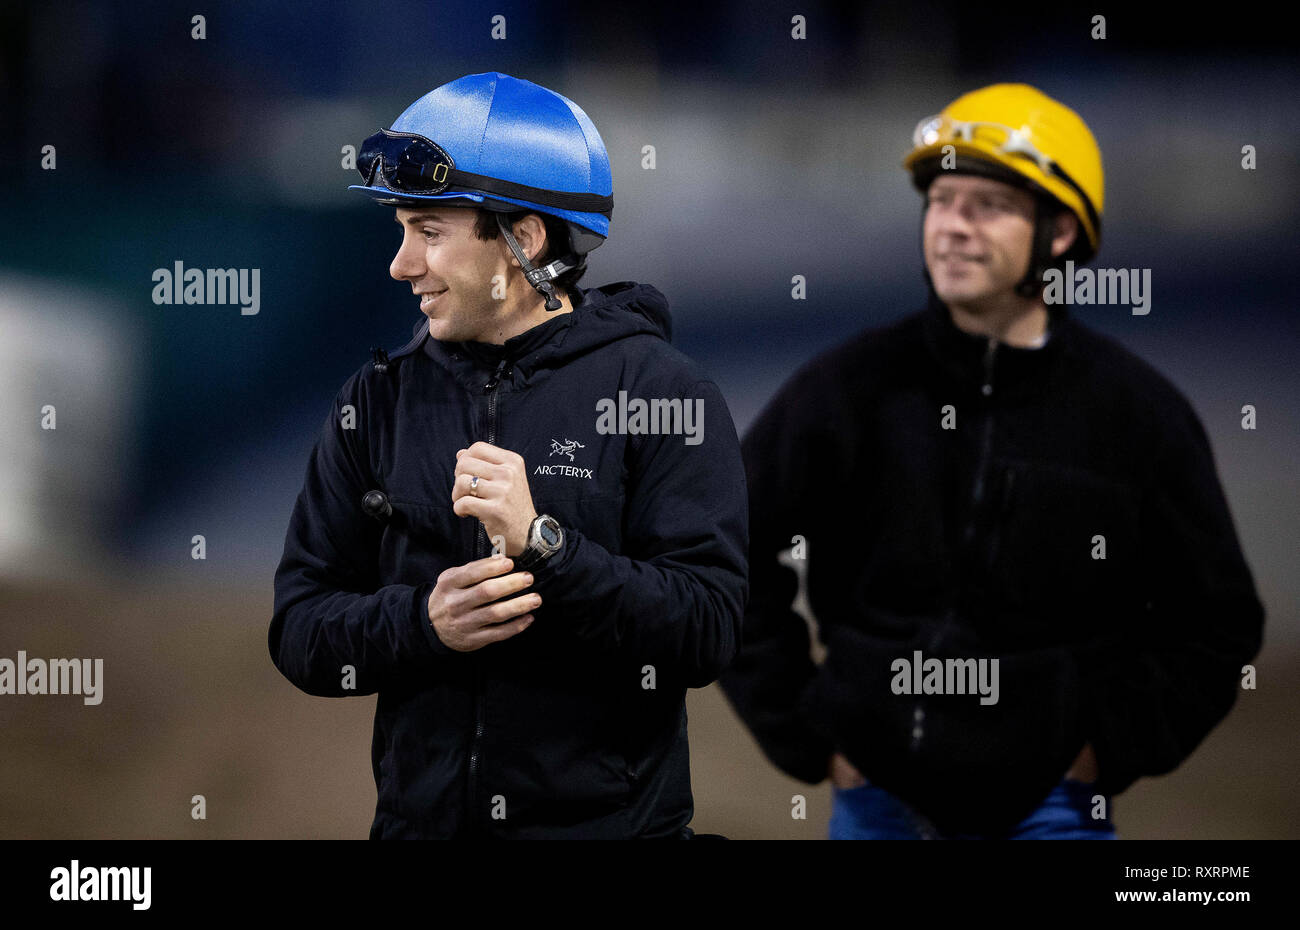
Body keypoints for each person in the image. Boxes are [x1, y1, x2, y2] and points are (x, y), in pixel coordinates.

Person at [718, 83, 1265, 839]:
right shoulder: (845, 389)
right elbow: (725, 547)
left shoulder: (1138, 415)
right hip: (877, 807)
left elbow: (1215, 622)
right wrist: (812, 733)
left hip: (1055, 811)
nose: (952, 228)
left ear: (1062, 231)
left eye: (989, 205)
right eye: (941, 200)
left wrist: (1109, 746)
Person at [268, 72, 748, 839]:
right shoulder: (376, 401)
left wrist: (547, 547)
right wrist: (424, 622)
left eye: (429, 233)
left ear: (523, 240)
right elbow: (298, 630)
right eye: (401, 231)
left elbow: (706, 631)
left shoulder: (665, 393)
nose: (401, 263)